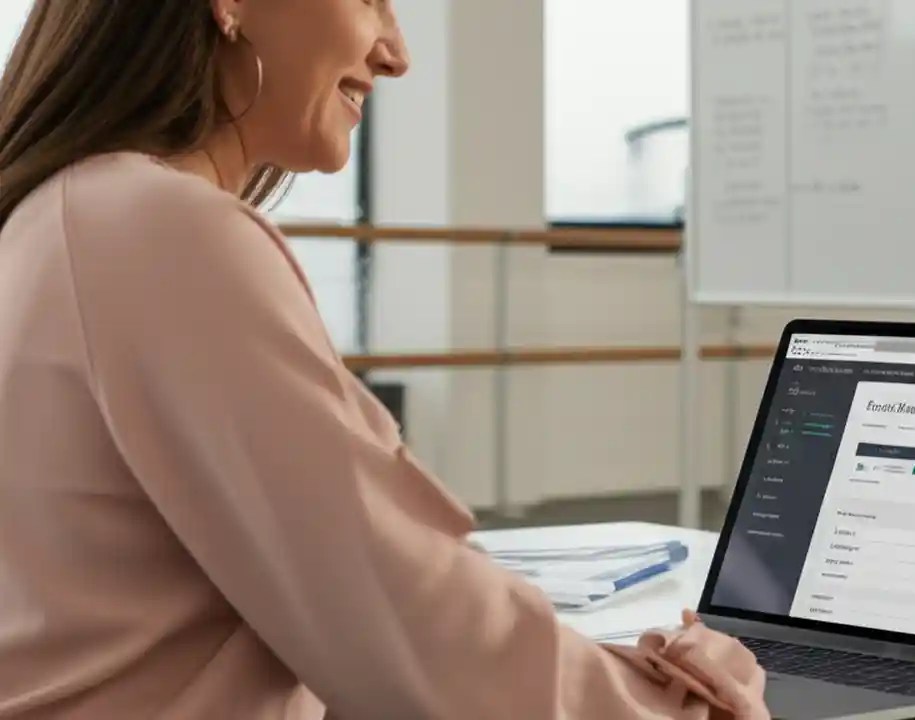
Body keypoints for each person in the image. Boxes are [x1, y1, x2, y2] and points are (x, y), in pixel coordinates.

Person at [0, 1, 768, 718]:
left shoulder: (66, 213)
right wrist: (690, 697)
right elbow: (414, 643)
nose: (396, 53)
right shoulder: (162, 232)